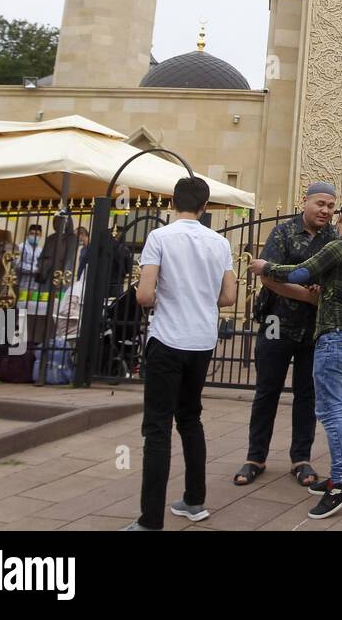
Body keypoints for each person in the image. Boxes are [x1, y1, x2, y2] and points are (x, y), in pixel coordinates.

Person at [125, 177, 237, 530]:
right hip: (202, 341)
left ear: (173, 202)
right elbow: (229, 297)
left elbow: (144, 295)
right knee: (190, 418)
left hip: (168, 338)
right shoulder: (220, 243)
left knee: (157, 427)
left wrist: (168, 298)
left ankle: (150, 521)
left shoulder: (160, 237)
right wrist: (200, 299)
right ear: (205, 206)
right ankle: (194, 499)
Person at [253, 198, 342, 520]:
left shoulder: (339, 246)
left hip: (334, 337)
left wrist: (266, 268)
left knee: (331, 413)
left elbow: (302, 272)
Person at [234, 182, 338, 489]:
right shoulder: (283, 233)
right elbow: (269, 278)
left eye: (331, 207)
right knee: (267, 391)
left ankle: (300, 459)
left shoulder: (333, 238)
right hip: (276, 323)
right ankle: (255, 457)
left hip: (313, 329)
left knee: (307, 394)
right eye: (320, 204)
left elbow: (332, 283)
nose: (325, 211)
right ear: (304, 202)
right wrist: (309, 296)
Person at [16, 223, 42, 290]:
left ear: (41, 235)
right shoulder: (21, 247)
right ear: (28, 234)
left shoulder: (40, 250)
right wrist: (34, 270)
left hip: (35, 285)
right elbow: (17, 264)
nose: (34, 236)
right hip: (22, 284)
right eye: (32, 233)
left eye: (37, 234)